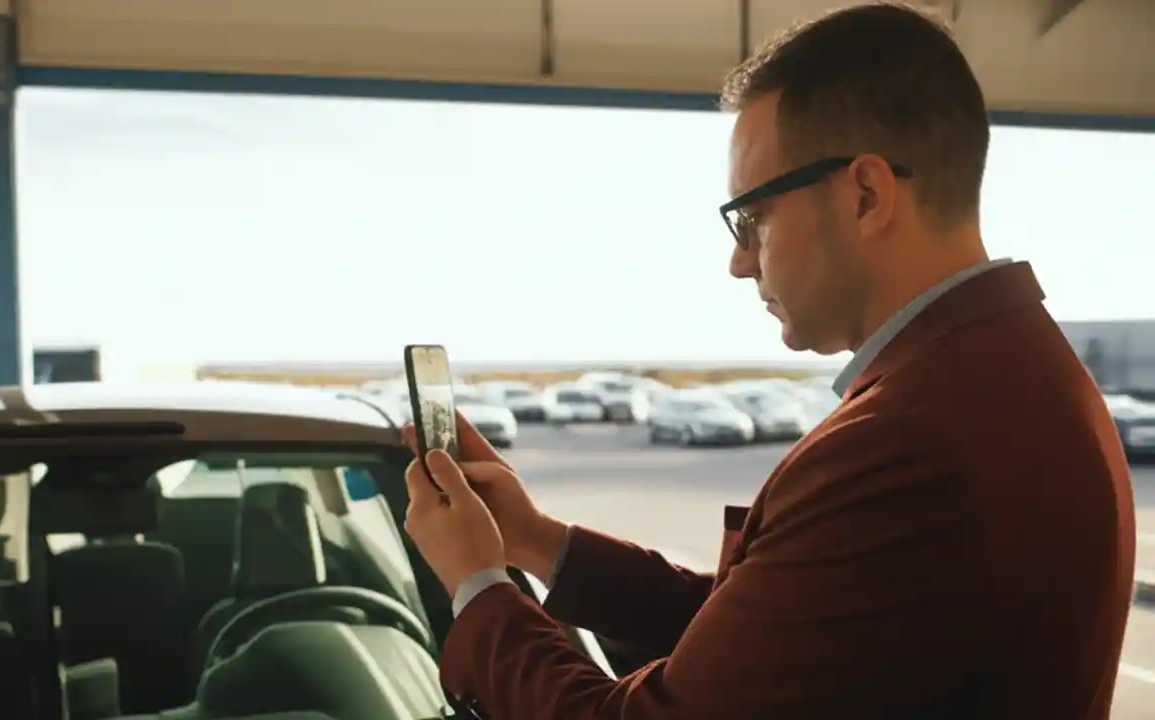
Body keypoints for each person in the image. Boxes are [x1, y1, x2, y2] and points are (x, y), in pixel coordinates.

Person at [401, 3, 1136, 719]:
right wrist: (535, 541)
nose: (739, 261)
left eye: (751, 218)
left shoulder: (913, 442)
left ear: (867, 194)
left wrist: (478, 585)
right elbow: (775, 634)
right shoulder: (1000, 370)